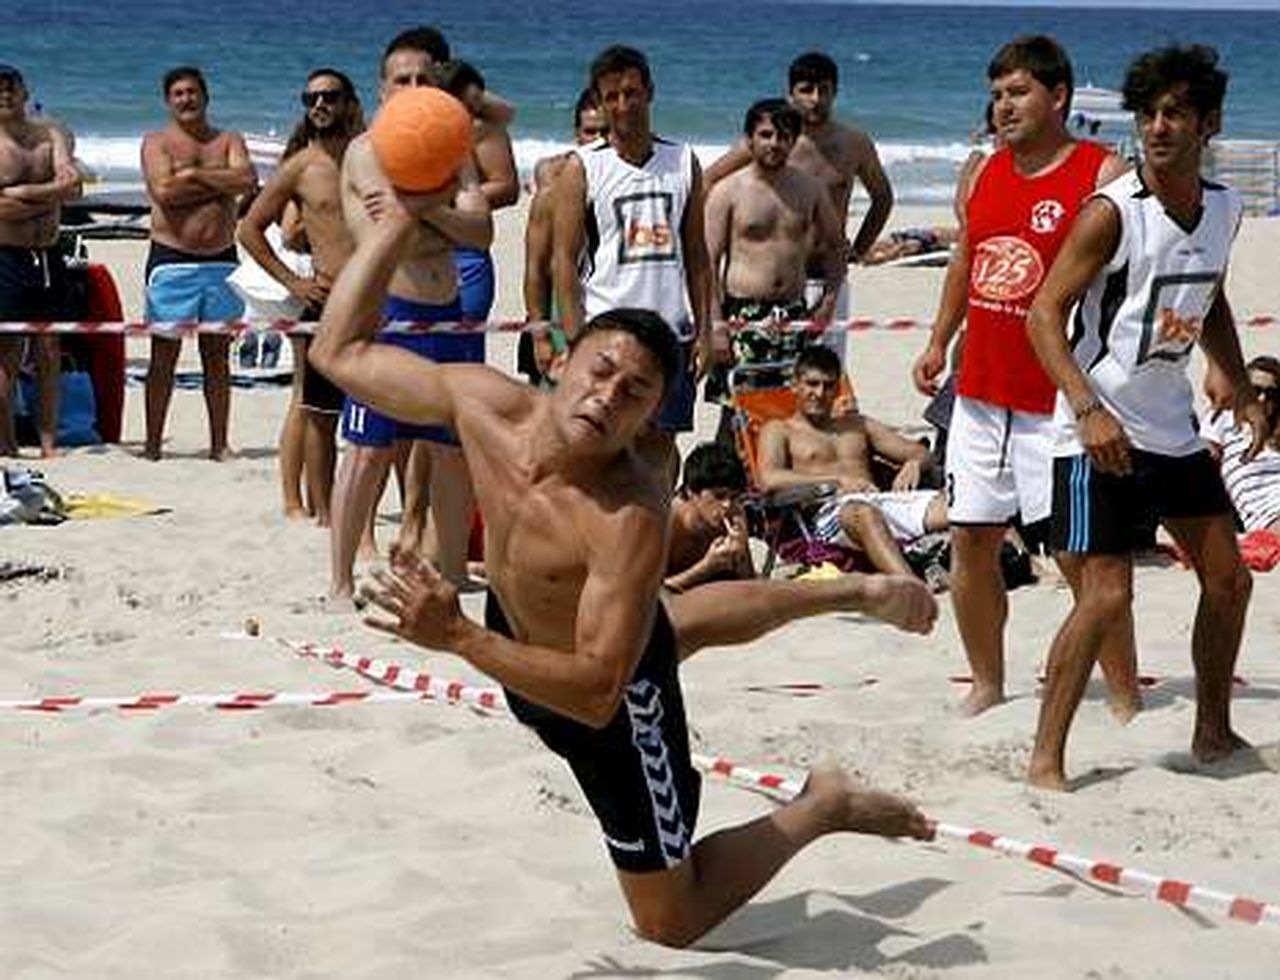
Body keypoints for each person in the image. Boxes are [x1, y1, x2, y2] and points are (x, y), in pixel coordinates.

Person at [310, 197, 937, 948]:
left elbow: (599, 687)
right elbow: (337, 352)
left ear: (648, 423)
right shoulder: (485, 406)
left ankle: (822, 808)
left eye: (634, 394)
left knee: (671, 921)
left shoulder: (626, 517)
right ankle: (856, 590)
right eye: (600, 371)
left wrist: (459, 639)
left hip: (608, 709)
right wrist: (397, 226)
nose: (607, 397)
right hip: (535, 631)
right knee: (665, 623)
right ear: (560, 360)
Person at [1025, 45, 1265, 790]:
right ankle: (1044, 762)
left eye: (1175, 113)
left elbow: (1210, 295)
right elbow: (1043, 315)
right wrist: (1088, 408)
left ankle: (1213, 732)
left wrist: (1233, 372)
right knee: (1106, 594)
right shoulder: (1111, 213)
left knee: (1229, 581)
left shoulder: (1223, 207)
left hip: (1172, 426)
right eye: (1148, 114)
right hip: (1098, 427)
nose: (1158, 128)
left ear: (1208, 122)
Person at [910, 36, 1134, 716]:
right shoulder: (982, 171)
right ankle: (987, 683)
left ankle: (1125, 693)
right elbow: (965, 262)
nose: (1003, 106)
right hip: (979, 389)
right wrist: (937, 338)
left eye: (1018, 93)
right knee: (970, 542)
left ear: (1057, 96)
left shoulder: (1103, 173)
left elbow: (1133, 280)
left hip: (1058, 399)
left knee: (1081, 560)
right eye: (997, 94)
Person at [327, 31, 492, 601]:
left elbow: (483, 231)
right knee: (369, 449)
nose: (415, 89)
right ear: (382, 88)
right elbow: (386, 237)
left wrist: (419, 207)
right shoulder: (366, 149)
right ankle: (340, 581)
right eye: (403, 80)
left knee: (452, 450)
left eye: (424, 79)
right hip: (389, 313)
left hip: (448, 314)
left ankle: (450, 569)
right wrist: (439, 211)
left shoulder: (453, 144)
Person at [552, 45, 712, 481]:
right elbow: (564, 263)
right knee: (606, 445)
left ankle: (653, 544)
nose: (624, 105)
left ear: (649, 92)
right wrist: (574, 339)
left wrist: (706, 331)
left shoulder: (682, 161)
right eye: (612, 97)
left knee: (661, 449)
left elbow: (697, 254)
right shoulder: (582, 167)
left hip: (671, 333)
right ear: (600, 103)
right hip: (610, 332)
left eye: (632, 93)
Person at [238, 68, 363, 525]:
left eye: (329, 96)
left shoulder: (372, 155)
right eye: (310, 98)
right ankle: (325, 514)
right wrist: (293, 282)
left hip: (379, 298)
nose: (319, 105)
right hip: (326, 299)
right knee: (318, 412)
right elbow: (249, 228)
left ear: (349, 102)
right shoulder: (301, 166)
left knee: (389, 415)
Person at [706, 52, 893, 333]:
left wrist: (858, 250)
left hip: (827, 276)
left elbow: (882, 198)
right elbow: (710, 180)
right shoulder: (771, 142)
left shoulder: (854, 143)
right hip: (770, 280)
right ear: (791, 94)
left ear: (835, 92)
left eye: (824, 90)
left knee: (825, 368)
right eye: (806, 90)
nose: (816, 99)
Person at [703, 98, 844, 422]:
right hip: (743, 316)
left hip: (793, 314)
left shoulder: (810, 189)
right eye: (765, 135)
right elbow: (707, 264)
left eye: (783, 136)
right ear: (749, 138)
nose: (774, 144)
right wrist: (715, 325)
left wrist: (827, 304)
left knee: (792, 414)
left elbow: (837, 247)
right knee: (738, 415)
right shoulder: (728, 191)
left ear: (794, 140)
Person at [141, 66, 258, 461]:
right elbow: (164, 191)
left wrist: (191, 174)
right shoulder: (156, 142)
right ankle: (154, 444)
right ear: (168, 101)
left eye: (192, 92)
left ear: (205, 97)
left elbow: (247, 181)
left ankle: (218, 443)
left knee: (217, 356)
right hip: (172, 261)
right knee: (164, 357)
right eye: (178, 93)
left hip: (221, 260)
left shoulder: (229, 139)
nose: (186, 99)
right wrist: (216, 179)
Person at [759, 346, 947, 577]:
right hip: (830, 514)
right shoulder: (779, 430)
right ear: (795, 385)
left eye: (828, 386)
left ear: (838, 388)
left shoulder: (857, 425)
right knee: (864, 513)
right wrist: (837, 481)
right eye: (812, 384)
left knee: (955, 505)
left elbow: (921, 452)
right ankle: (910, 588)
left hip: (880, 500)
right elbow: (769, 479)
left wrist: (914, 463)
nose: (819, 393)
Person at [0, 63, 81, 458]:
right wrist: (50, 194)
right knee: (6, 351)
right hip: (5, 256)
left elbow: (75, 186)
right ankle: (7, 444)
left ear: (25, 91)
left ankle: (49, 444)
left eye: (11, 88)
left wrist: (25, 192)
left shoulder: (51, 134)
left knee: (50, 349)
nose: (5, 95)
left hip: (49, 254)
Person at [521, 88, 607, 386]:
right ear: (577, 134)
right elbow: (535, 270)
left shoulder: (626, 188)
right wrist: (540, 336)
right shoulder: (552, 194)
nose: (597, 140)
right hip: (559, 314)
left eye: (604, 132)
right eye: (590, 131)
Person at [1204, 356, 1280, 535]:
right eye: (1255, 391)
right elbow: (1202, 466)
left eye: (1272, 394)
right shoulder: (1224, 419)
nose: (1261, 399)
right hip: (1267, 514)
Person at [665, 442, 754, 592]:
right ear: (691, 492)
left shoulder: (735, 513)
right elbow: (648, 595)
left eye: (734, 496)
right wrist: (706, 567)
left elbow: (749, 585)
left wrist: (740, 556)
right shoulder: (667, 522)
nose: (727, 504)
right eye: (719, 496)